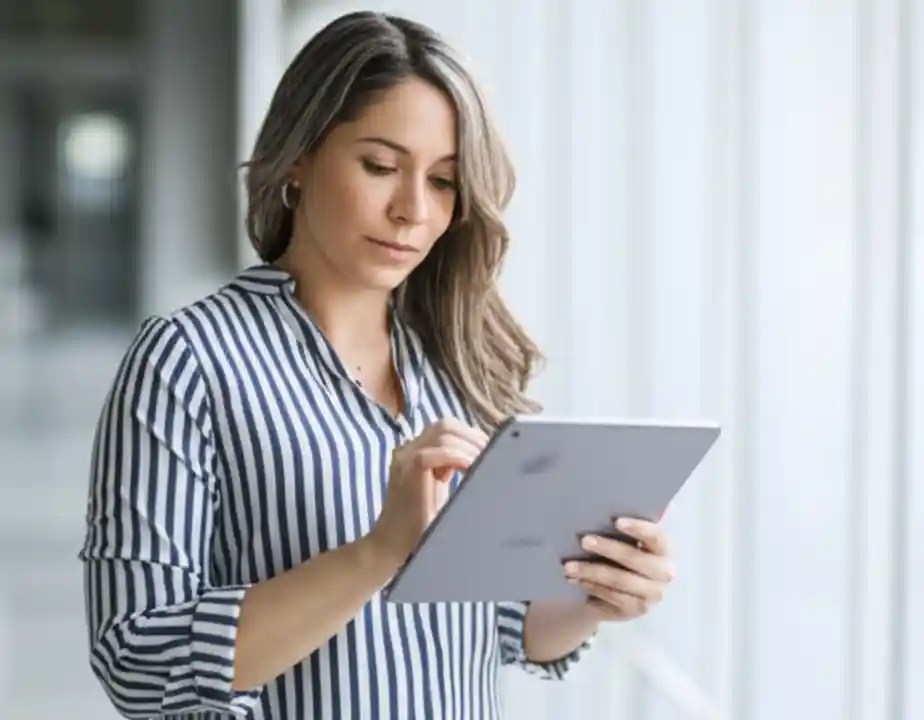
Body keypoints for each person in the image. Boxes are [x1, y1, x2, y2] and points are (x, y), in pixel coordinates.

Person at [78, 11, 676, 719]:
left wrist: (594, 596)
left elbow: (497, 627)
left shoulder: (457, 365)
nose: (412, 210)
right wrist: (376, 553)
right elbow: (138, 661)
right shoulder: (188, 361)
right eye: (381, 166)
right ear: (298, 159)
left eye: (445, 182)